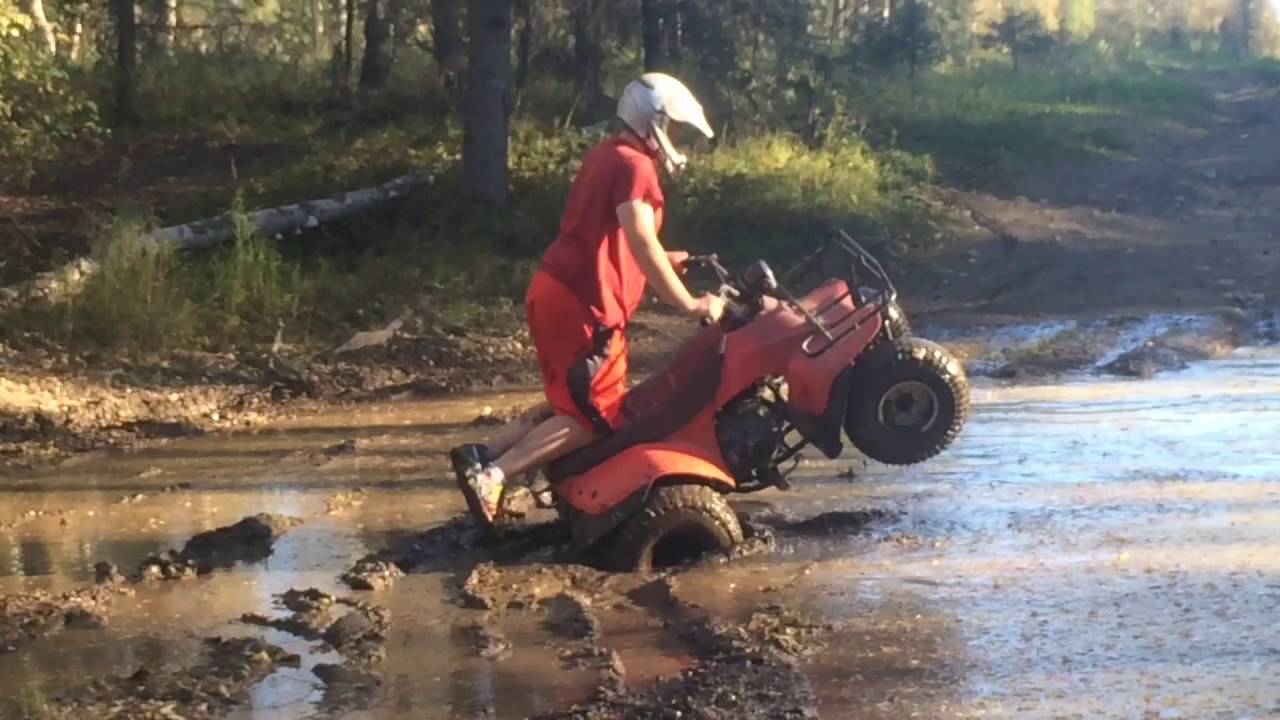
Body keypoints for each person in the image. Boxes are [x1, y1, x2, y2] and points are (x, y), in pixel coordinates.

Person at [449, 73, 725, 531]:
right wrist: (691, 305)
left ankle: (483, 454)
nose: (677, 139)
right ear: (654, 121)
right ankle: (495, 476)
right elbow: (639, 240)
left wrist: (671, 258)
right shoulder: (636, 166)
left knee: (569, 404)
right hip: (584, 306)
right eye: (676, 128)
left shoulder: (607, 155)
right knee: (594, 419)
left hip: (554, 289)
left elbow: (610, 237)